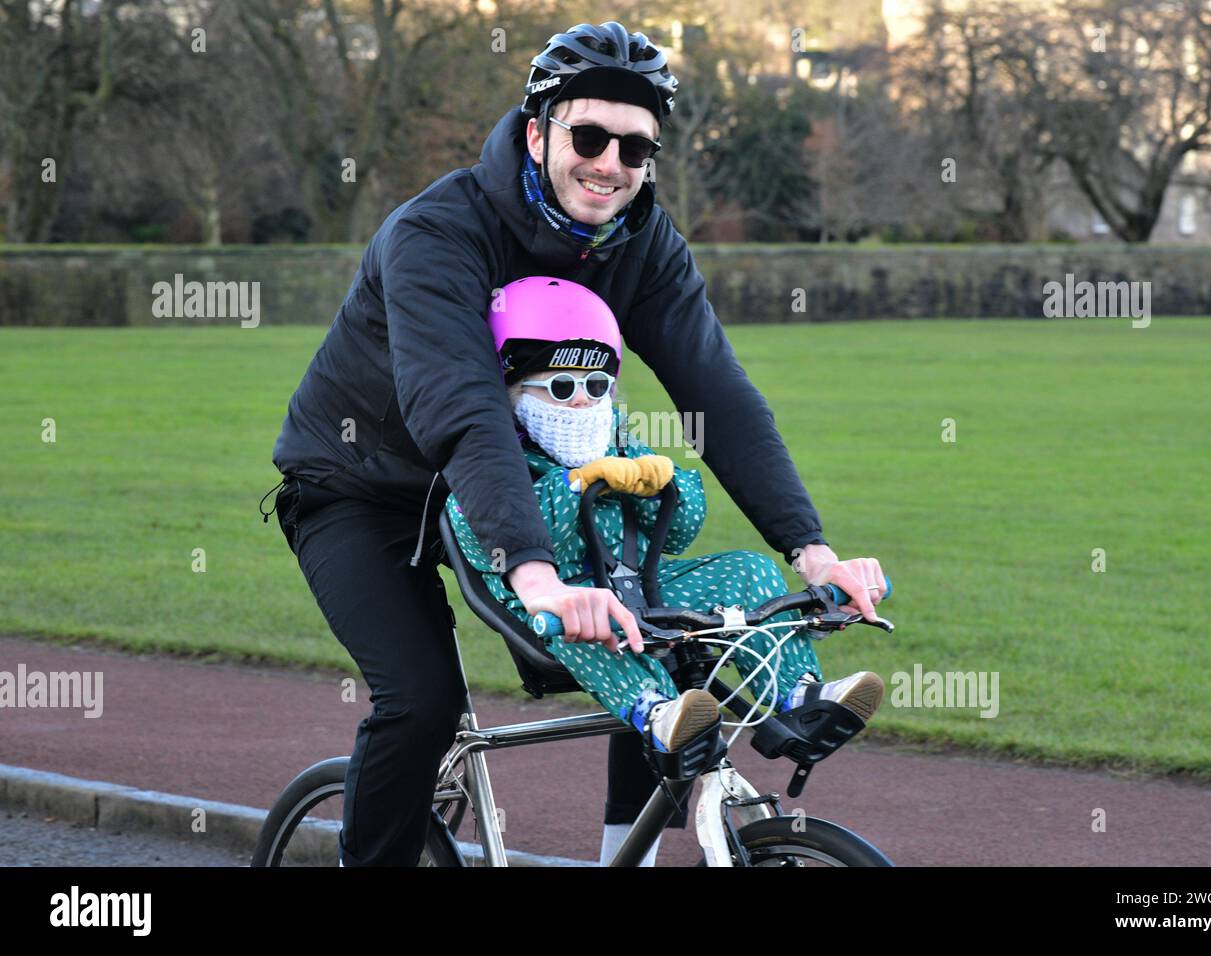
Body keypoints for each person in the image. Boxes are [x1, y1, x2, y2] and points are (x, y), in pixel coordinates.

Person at [264, 20, 889, 868]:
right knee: (420, 699)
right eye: (588, 136)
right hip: (365, 488)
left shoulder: (641, 242)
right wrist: (536, 573)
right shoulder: (437, 234)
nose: (610, 164)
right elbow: (462, 407)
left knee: (662, 632)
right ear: (537, 133)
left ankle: (620, 858)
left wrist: (812, 552)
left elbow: (720, 395)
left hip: (538, 488)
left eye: (635, 149)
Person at [444, 277, 886, 866]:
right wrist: (579, 482)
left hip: (642, 588)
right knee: (591, 608)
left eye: (596, 385)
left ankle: (796, 698)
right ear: (508, 390)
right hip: (551, 608)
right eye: (560, 386)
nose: (582, 400)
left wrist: (664, 484)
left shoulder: (616, 438)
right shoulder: (489, 457)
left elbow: (677, 534)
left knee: (749, 571)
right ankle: (655, 713)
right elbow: (486, 534)